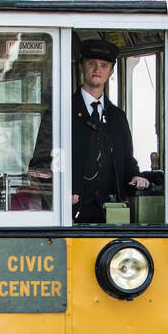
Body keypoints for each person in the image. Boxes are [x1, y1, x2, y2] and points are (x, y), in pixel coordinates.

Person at [29, 38, 150, 223]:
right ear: (81, 67)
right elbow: (39, 165)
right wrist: (59, 194)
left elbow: (126, 159)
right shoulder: (59, 112)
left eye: (103, 65)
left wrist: (135, 175)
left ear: (111, 71)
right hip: (68, 213)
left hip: (110, 212)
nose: (97, 69)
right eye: (91, 63)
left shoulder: (118, 117)